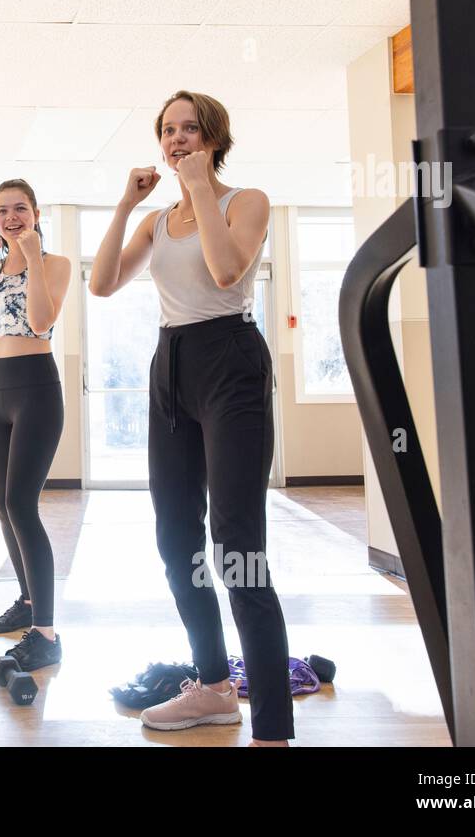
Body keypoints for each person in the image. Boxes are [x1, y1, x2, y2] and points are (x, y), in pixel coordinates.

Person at [88, 91, 294, 746]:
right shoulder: (155, 220)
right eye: (168, 130)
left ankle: (273, 729)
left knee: (236, 546)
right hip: (170, 363)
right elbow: (100, 284)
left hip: (229, 356)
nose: (177, 138)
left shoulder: (246, 200)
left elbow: (228, 268)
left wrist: (202, 187)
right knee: (177, 537)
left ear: (214, 137)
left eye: (190, 128)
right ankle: (212, 687)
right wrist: (126, 204)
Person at [0, 180, 72, 672]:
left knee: (22, 504)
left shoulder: (58, 264)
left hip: (36, 390)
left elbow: (42, 321)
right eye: (2, 210)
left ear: (36, 213)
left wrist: (35, 257)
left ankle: (45, 632)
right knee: (4, 504)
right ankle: (26, 602)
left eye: (20, 208)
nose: (11, 217)